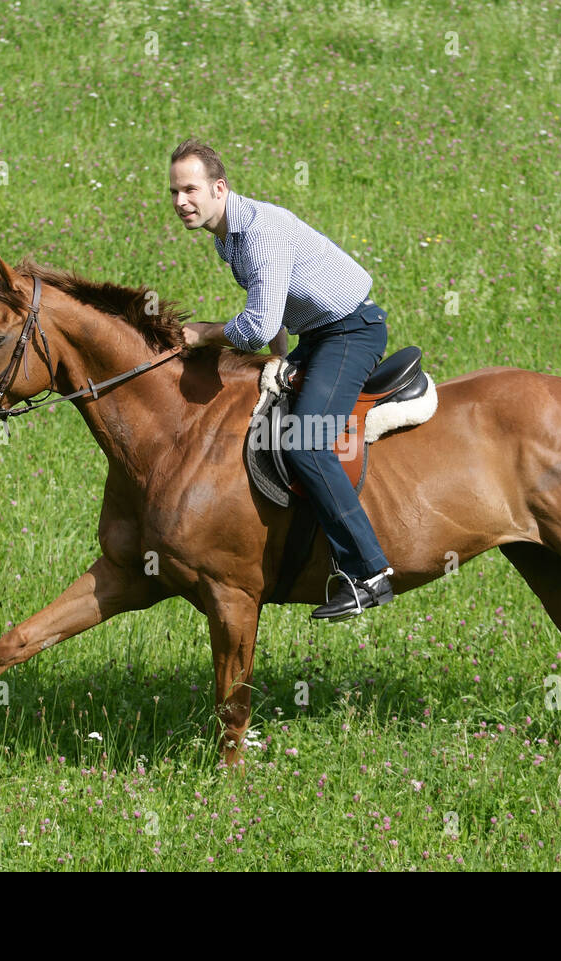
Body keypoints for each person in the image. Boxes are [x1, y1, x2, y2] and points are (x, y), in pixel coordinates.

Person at [169, 138, 394, 620]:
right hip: (316, 334)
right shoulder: (226, 235)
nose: (180, 202)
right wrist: (282, 359)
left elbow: (256, 324)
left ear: (219, 187)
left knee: (307, 442)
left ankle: (369, 572)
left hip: (351, 332)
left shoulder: (259, 233)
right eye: (174, 192)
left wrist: (205, 334)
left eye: (189, 189)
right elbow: (271, 305)